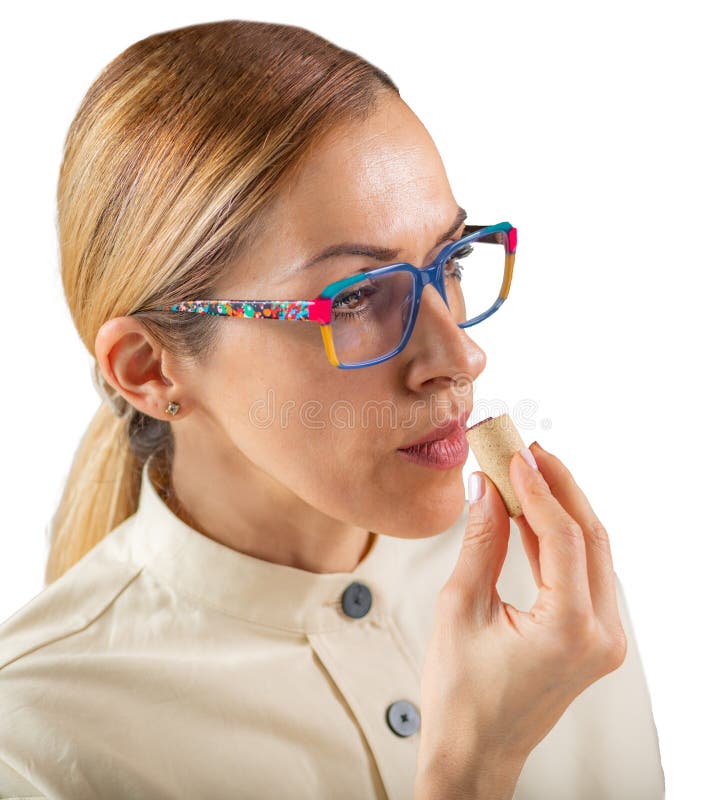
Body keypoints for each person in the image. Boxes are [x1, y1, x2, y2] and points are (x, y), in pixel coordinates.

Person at [0, 19, 665, 800]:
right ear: (149, 370)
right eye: (353, 298)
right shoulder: (37, 746)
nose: (459, 358)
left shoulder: (557, 605)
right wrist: (472, 775)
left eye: (450, 260)